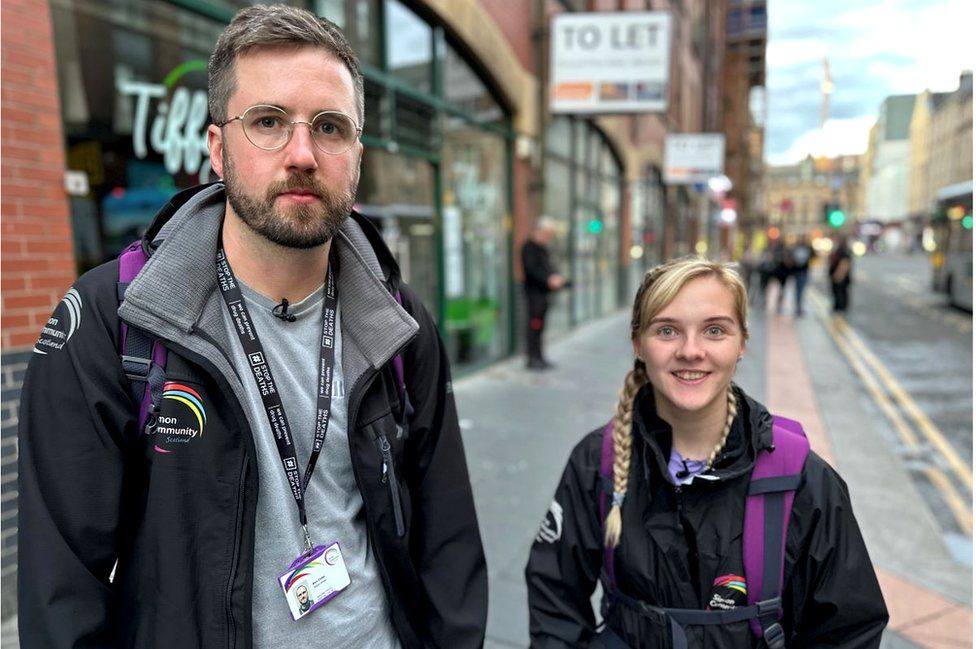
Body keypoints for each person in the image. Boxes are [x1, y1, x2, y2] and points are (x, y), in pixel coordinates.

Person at [18, 5, 487, 648]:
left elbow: (449, 540)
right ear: (217, 148)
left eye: (330, 127)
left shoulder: (397, 320)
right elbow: (62, 590)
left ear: (356, 155)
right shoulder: (115, 320)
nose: (301, 154)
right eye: (268, 122)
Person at [525, 257, 888, 647]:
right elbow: (555, 601)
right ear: (638, 343)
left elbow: (848, 629)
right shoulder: (597, 461)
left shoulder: (799, 478)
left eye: (715, 330)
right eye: (667, 330)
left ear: (742, 342)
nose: (691, 350)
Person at [522, 216, 567, 370]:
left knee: (540, 327)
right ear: (540, 231)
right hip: (534, 295)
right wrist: (548, 279)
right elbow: (532, 270)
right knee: (534, 326)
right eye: (547, 234)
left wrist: (556, 278)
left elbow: (549, 268)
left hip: (543, 294)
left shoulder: (544, 249)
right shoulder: (528, 248)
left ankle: (539, 356)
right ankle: (532, 358)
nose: (549, 237)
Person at [790, 235, 814, 316]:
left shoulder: (808, 248)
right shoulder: (796, 248)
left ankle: (799, 306)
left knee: (801, 290)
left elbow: (813, 256)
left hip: (804, 272)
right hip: (797, 272)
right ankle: (798, 306)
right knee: (798, 290)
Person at [829, 236, 853, 312]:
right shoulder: (837, 251)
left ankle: (840, 308)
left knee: (841, 293)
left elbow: (845, 264)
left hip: (841, 278)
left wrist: (838, 275)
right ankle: (837, 306)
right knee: (836, 293)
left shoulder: (844, 252)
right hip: (836, 277)